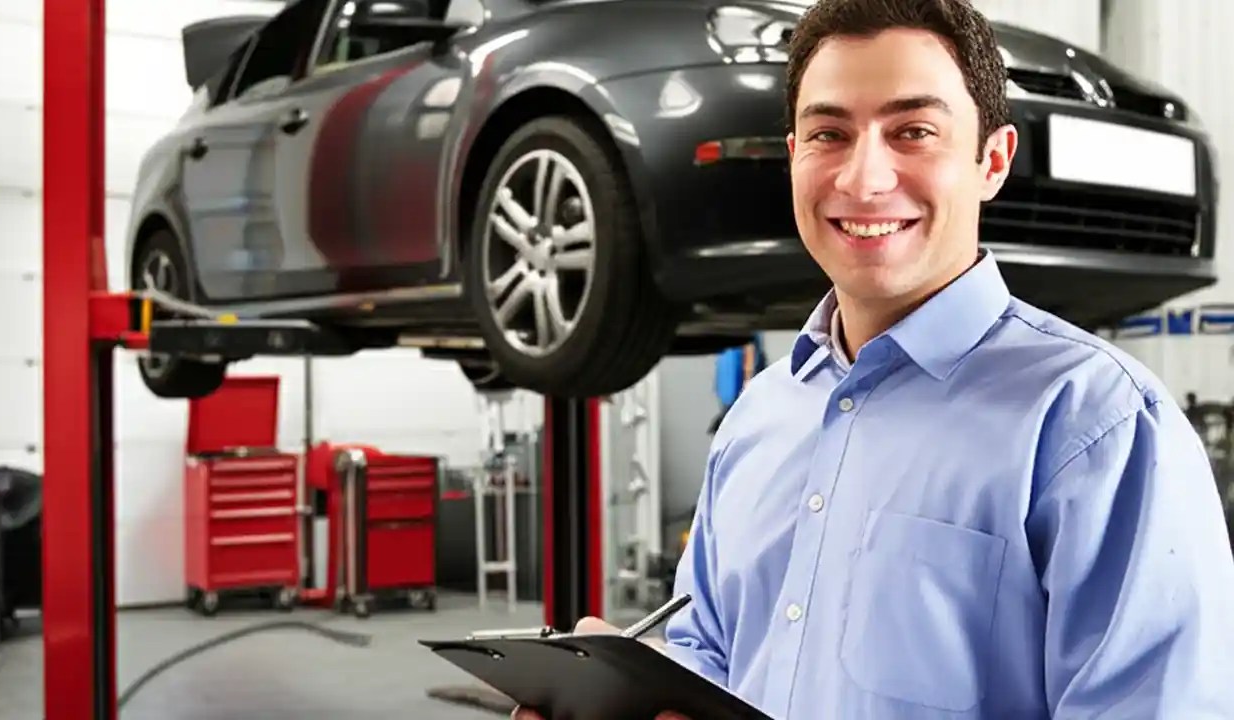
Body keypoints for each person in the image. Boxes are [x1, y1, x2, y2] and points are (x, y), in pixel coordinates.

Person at [514, 0, 1234, 717]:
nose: (864, 179)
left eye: (913, 131)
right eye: (829, 132)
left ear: (992, 161)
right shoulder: (757, 422)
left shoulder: (1096, 427)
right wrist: (627, 694)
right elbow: (714, 657)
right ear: (793, 155)